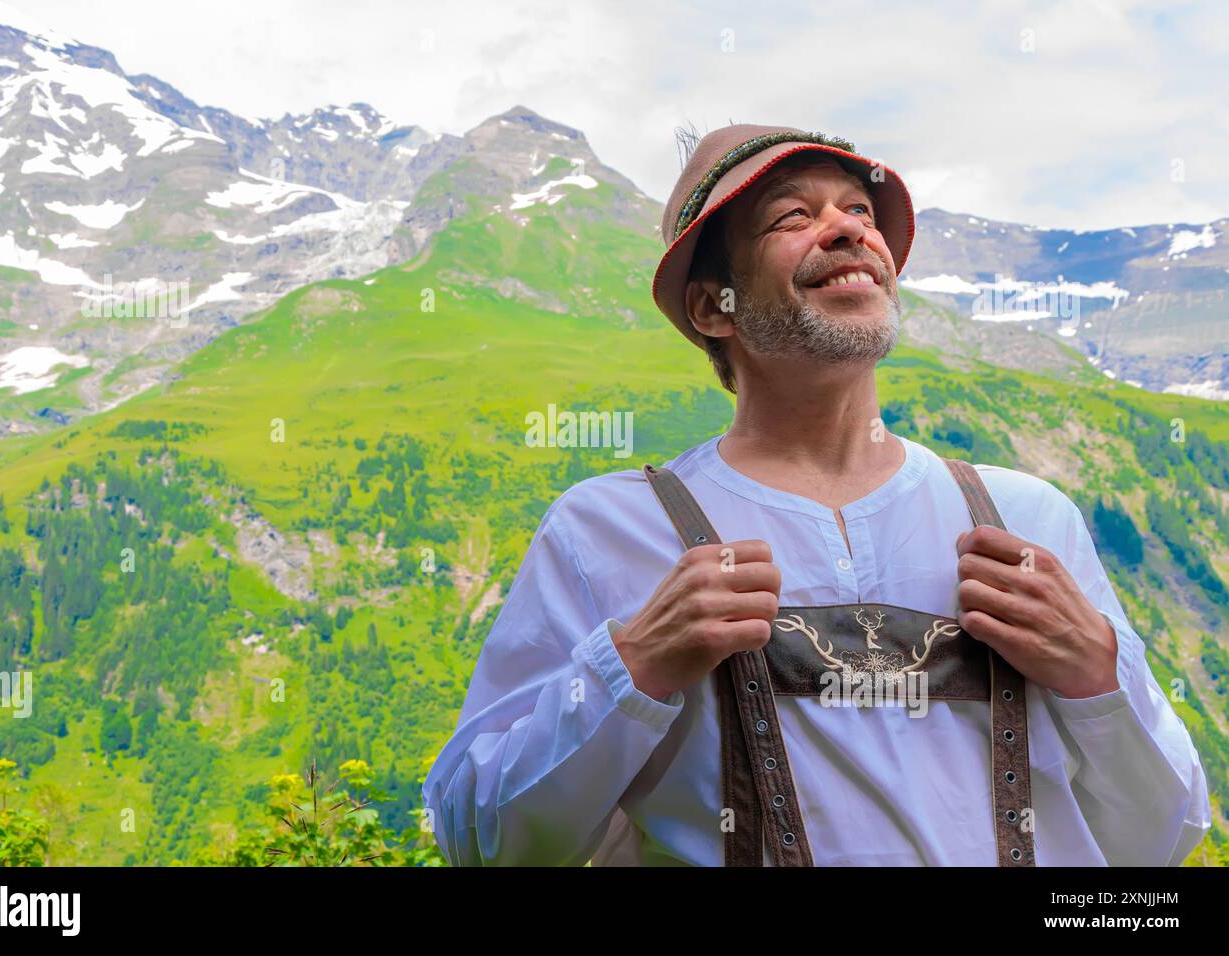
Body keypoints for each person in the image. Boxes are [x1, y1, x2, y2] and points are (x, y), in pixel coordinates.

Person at [421, 123, 1213, 866]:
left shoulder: (1029, 517)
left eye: (860, 211)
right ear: (711, 306)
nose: (847, 230)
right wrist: (632, 668)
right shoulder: (605, 529)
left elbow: (1160, 840)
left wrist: (1097, 679)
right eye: (791, 217)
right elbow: (481, 838)